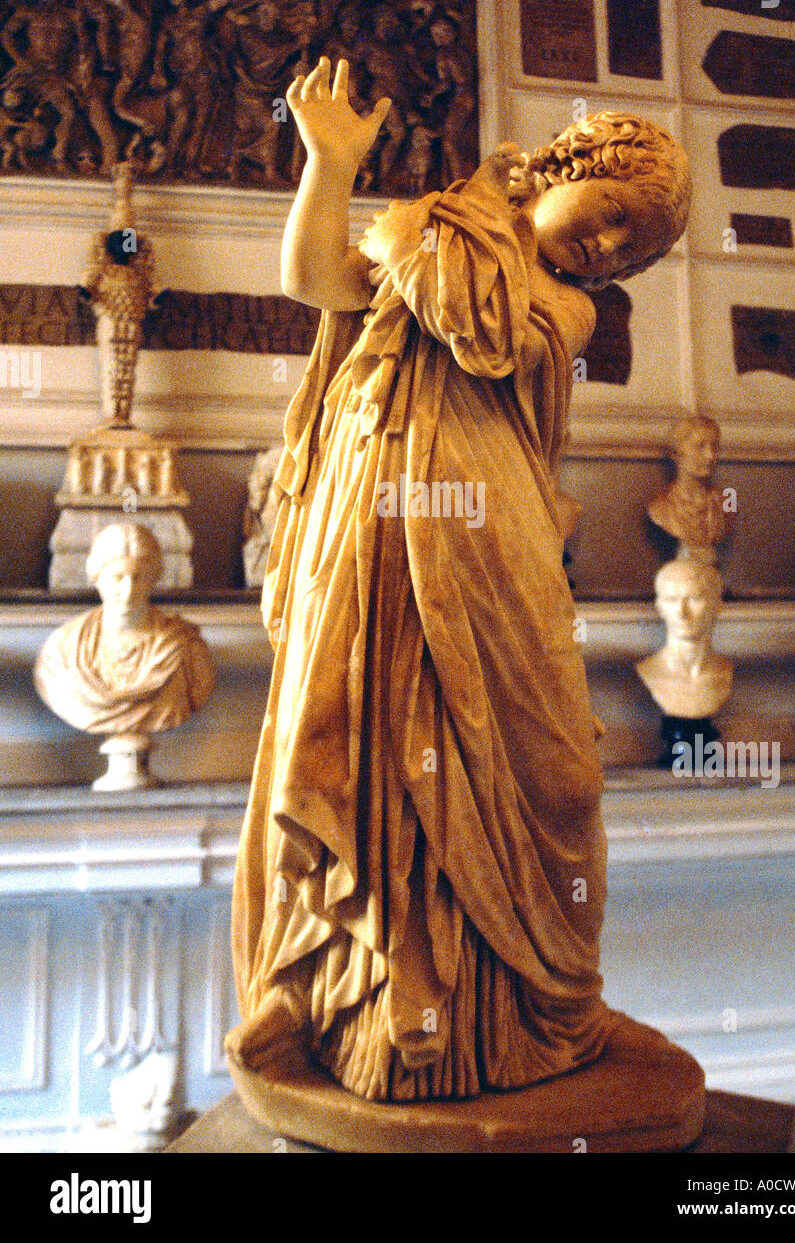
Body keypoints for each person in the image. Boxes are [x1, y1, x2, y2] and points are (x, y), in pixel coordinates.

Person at [228, 58, 691, 1101]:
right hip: (367, 512)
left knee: (542, 766)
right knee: (366, 737)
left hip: (487, 536)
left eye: (635, 252)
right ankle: (353, 997)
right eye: (614, 212)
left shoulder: (564, 312)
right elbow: (316, 281)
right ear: (565, 165)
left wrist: (405, 236)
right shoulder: (432, 226)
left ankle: (542, 1002)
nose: (611, 248)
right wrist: (331, 168)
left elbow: (477, 333)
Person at [33, 523, 214, 737]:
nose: (128, 591)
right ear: (96, 577)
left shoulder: (186, 648)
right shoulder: (62, 650)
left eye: (138, 578)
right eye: (117, 578)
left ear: (153, 578)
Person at [636, 559, 732, 720]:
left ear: (717, 606)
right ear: (659, 607)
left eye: (695, 599)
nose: (682, 612)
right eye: (672, 600)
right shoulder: (647, 674)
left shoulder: (728, 674)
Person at [647, 414, 734, 561]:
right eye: (700, 447)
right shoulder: (660, 507)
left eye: (715, 447)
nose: (710, 456)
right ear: (676, 453)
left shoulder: (728, 500)